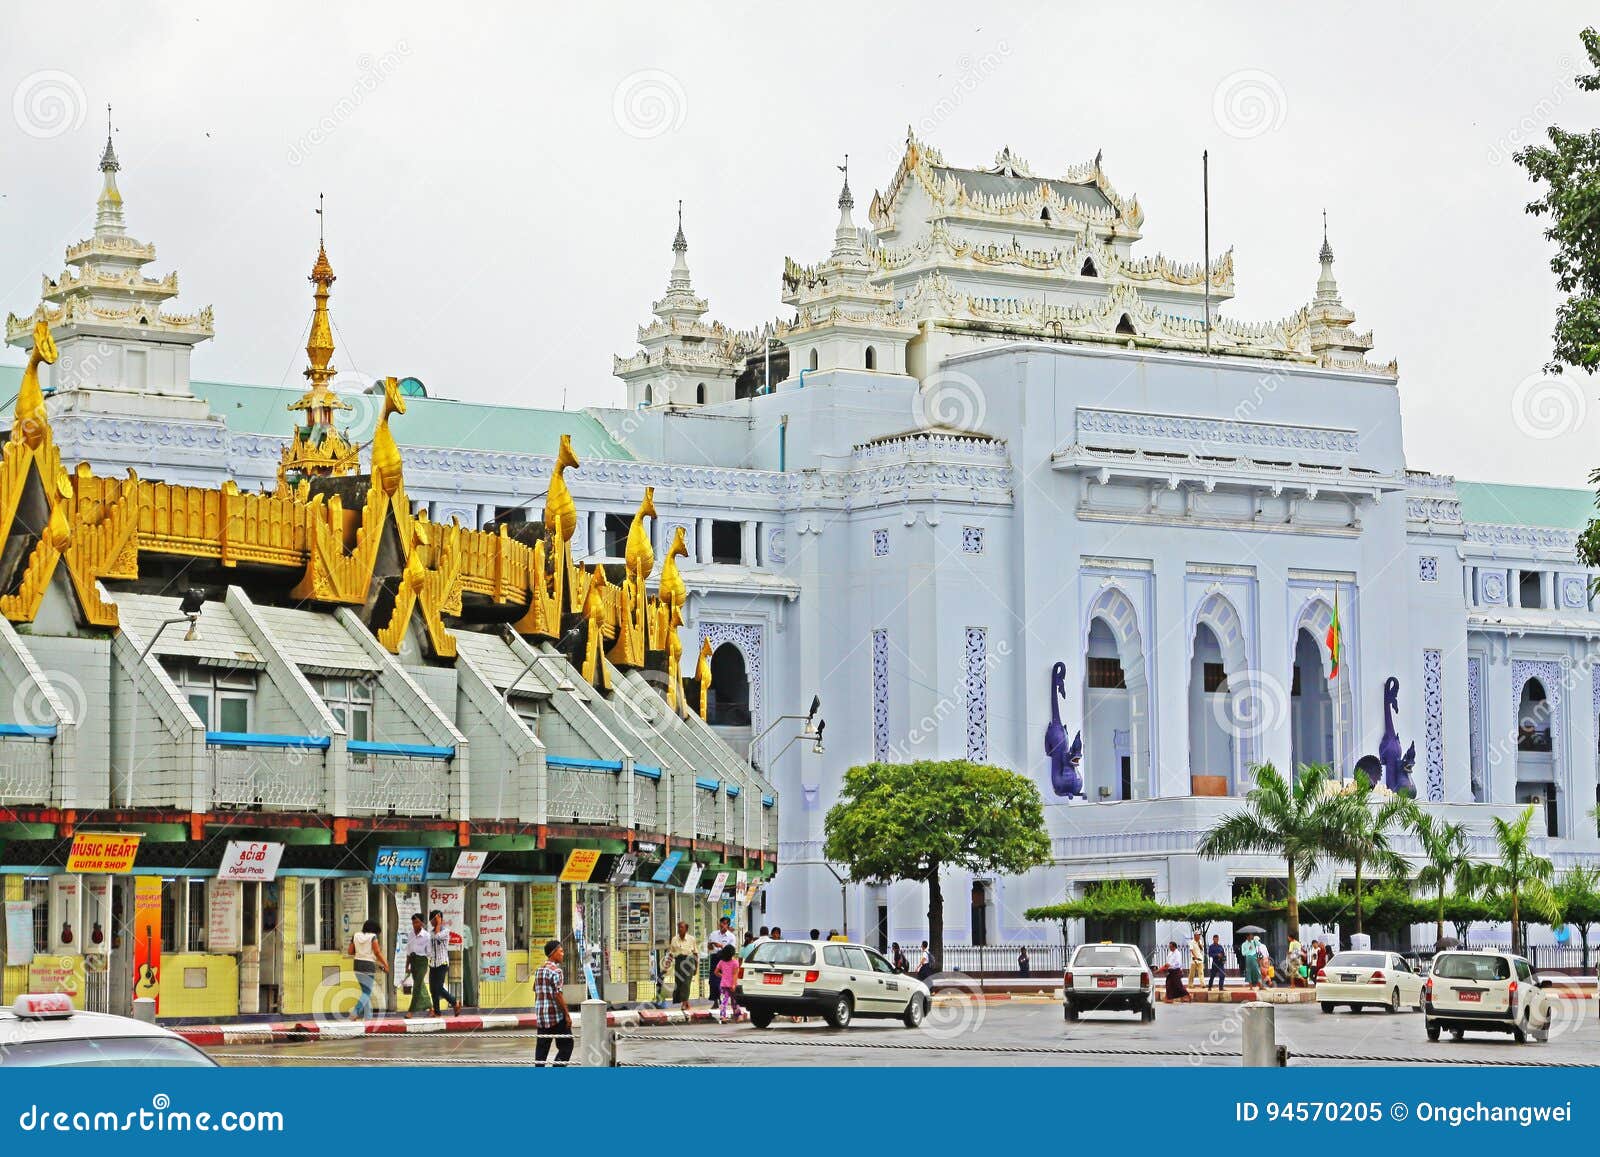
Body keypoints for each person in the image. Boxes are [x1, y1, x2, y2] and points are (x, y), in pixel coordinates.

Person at [533, 939, 573, 1067]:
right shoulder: (556, 971)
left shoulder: (539, 970)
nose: (563, 954)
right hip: (555, 1017)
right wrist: (566, 1015)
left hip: (542, 1017)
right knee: (567, 1045)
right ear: (553, 953)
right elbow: (558, 994)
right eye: (561, 951)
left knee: (541, 1051)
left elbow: (536, 992)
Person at [347, 918, 389, 1019]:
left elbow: (350, 951)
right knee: (367, 992)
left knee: (365, 991)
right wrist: (385, 964)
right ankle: (355, 1012)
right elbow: (377, 952)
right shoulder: (373, 937)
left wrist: (361, 950)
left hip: (357, 965)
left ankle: (368, 1016)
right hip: (368, 966)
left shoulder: (356, 935)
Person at [427, 909, 460, 1015]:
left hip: (442, 963)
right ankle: (437, 1012)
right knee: (433, 989)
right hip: (433, 963)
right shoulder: (430, 933)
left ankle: (454, 1003)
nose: (431, 922)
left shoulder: (446, 931)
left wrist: (439, 922)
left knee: (439, 987)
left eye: (433, 919)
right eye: (432, 920)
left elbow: (437, 937)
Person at [667, 920, 698, 1009]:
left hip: (689, 961)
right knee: (679, 982)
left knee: (686, 983)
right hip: (678, 961)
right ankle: (686, 1002)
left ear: (686, 929)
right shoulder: (674, 939)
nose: (679, 929)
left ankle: (684, 1003)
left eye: (681, 927)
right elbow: (671, 953)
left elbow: (695, 953)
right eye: (678, 927)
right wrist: (668, 963)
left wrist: (696, 967)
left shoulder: (692, 939)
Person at [405, 912, 431, 1017]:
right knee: (421, 986)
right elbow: (408, 951)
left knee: (416, 987)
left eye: (417, 922)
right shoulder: (410, 934)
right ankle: (431, 1007)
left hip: (422, 962)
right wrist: (407, 966)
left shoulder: (427, 936)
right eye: (413, 922)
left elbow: (429, 952)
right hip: (413, 960)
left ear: (422, 923)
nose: (414, 925)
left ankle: (411, 1011)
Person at [707, 917, 736, 1006]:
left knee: (723, 979)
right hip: (714, 958)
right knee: (712, 980)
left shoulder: (731, 936)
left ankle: (728, 999)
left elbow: (732, 951)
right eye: (721, 923)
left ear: (728, 925)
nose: (723, 925)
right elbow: (709, 948)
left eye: (725, 923)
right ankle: (715, 1000)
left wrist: (721, 946)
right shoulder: (713, 934)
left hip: (725, 959)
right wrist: (712, 945)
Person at [714, 944, 740, 1021]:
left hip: (723, 985)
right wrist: (734, 985)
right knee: (734, 1001)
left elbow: (716, 972)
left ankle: (723, 1016)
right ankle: (737, 1016)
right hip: (732, 985)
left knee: (724, 1001)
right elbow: (735, 975)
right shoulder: (735, 962)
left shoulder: (721, 962)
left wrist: (723, 976)